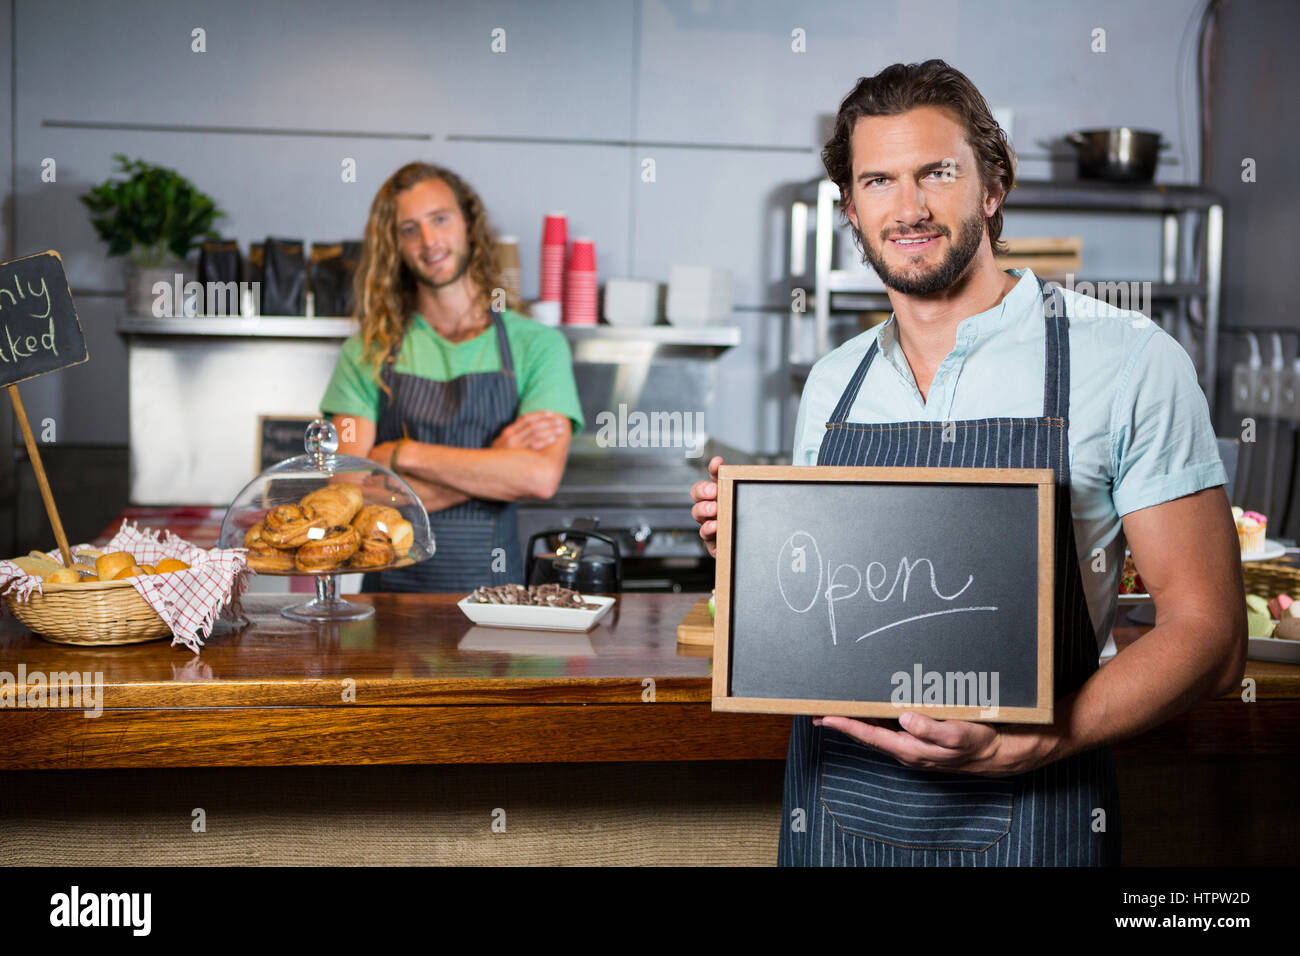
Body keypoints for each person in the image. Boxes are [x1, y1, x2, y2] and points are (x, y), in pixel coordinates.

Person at [689, 60, 1246, 866]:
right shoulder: (834, 384)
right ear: (851, 209)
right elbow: (833, 610)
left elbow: (1211, 633)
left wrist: (1046, 738)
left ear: (993, 185)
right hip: (834, 813)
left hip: (1036, 814)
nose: (907, 208)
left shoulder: (1128, 360)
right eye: (877, 181)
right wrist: (754, 553)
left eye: (936, 173)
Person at [321, 162, 584, 592]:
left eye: (440, 219)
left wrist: (402, 455)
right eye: (409, 229)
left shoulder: (538, 345)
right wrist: (494, 464)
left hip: (497, 606)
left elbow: (537, 477)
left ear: (470, 225)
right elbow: (347, 496)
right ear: (395, 246)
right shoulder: (366, 351)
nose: (429, 241)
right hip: (391, 607)